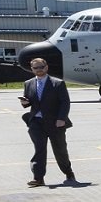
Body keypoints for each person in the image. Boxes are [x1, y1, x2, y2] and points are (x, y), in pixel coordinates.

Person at [20, 56, 74, 187]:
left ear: (46, 67)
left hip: (55, 123)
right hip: (36, 122)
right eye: (36, 68)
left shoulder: (58, 83)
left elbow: (65, 102)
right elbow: (29, 102)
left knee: (60, 150)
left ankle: (68, 172)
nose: (39, 69)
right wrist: (25, 103)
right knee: (39, 150)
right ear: (32, 69)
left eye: (41, 67)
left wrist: (61, 119)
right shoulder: (28, 83)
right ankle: (38, 178)